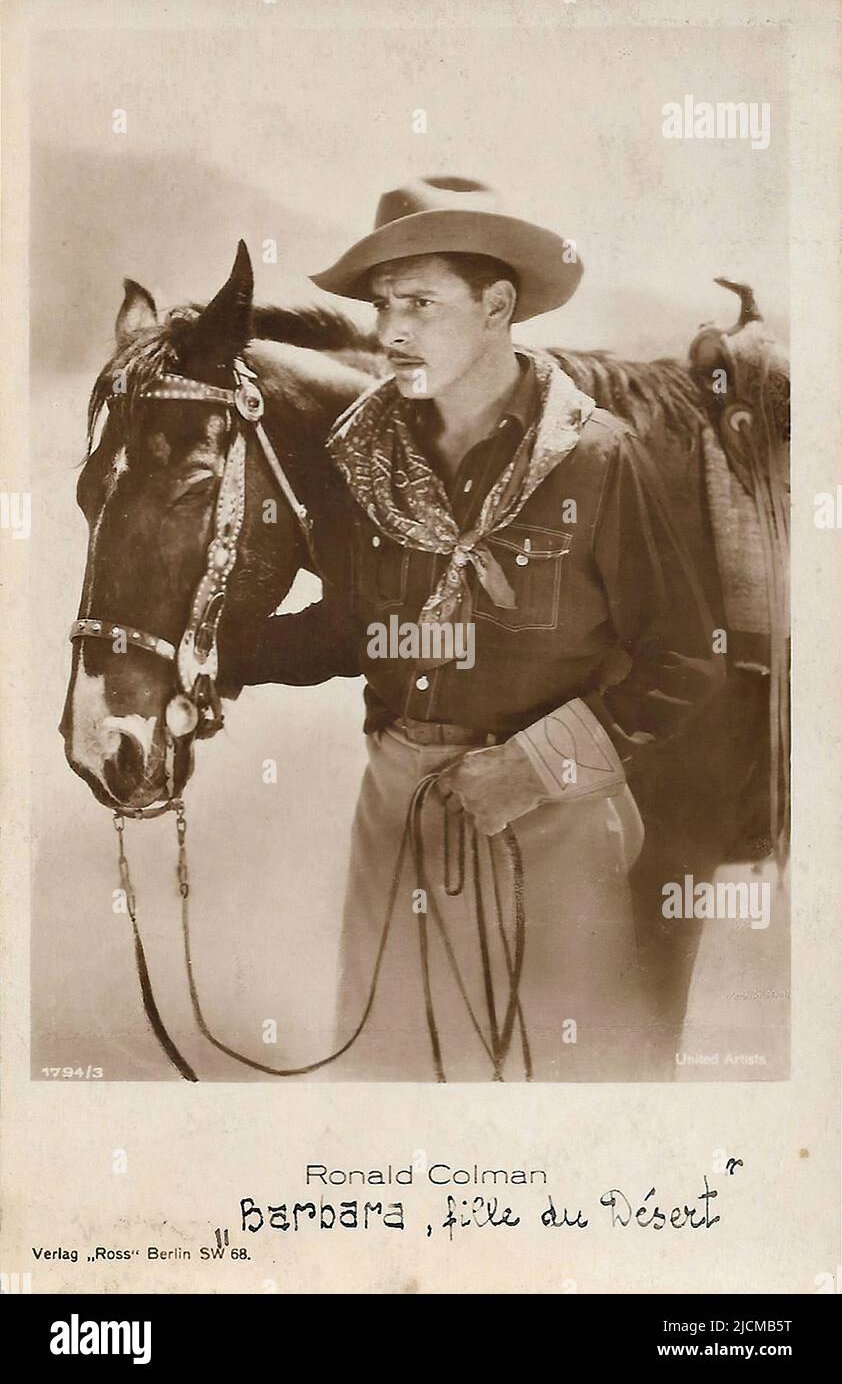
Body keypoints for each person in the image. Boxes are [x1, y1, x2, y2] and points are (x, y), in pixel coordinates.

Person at [224, 176, 725, 1081]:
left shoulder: (596, 457)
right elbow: (350, 629)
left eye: (421, 302)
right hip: (397, 814)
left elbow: (684, 661)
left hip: (554, 828)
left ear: (498, 306)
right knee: (388, 1075)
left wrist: (530, 769)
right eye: (384, 306)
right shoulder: (364, 459)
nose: (393, 331)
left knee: (560, 1090)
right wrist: (215, 656)